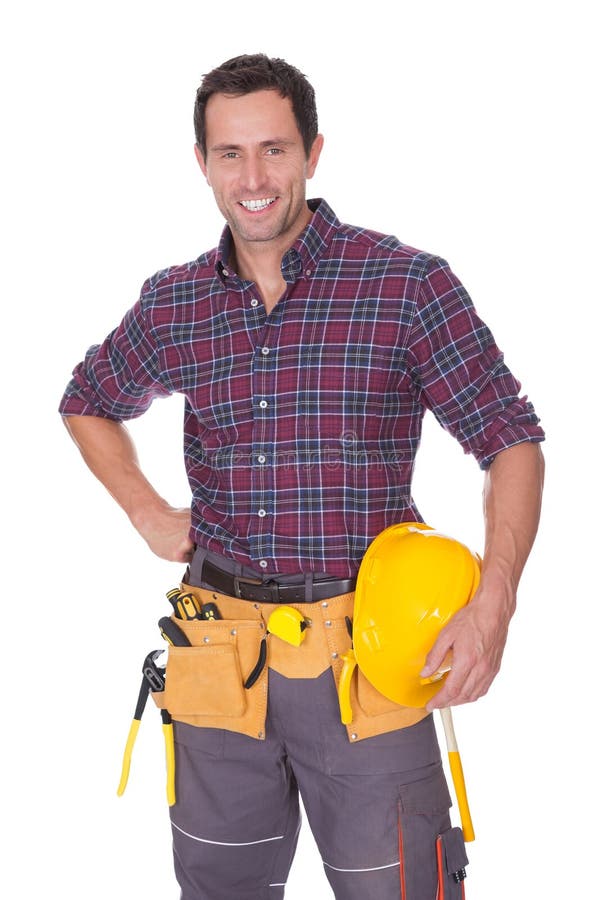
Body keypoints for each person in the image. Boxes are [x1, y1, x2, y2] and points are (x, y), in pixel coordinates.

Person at [59, 53, 545, 900]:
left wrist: (495, 596)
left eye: (275, 150)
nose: (253, 178)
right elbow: (87, 399)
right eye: (229, 154)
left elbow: (512, 440)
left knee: (404, 889)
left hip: (369, 662)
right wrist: (146, 513)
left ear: (314, 151)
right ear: (202, 162)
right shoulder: (175, 303)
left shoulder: (405, 285)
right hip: (217, 659)